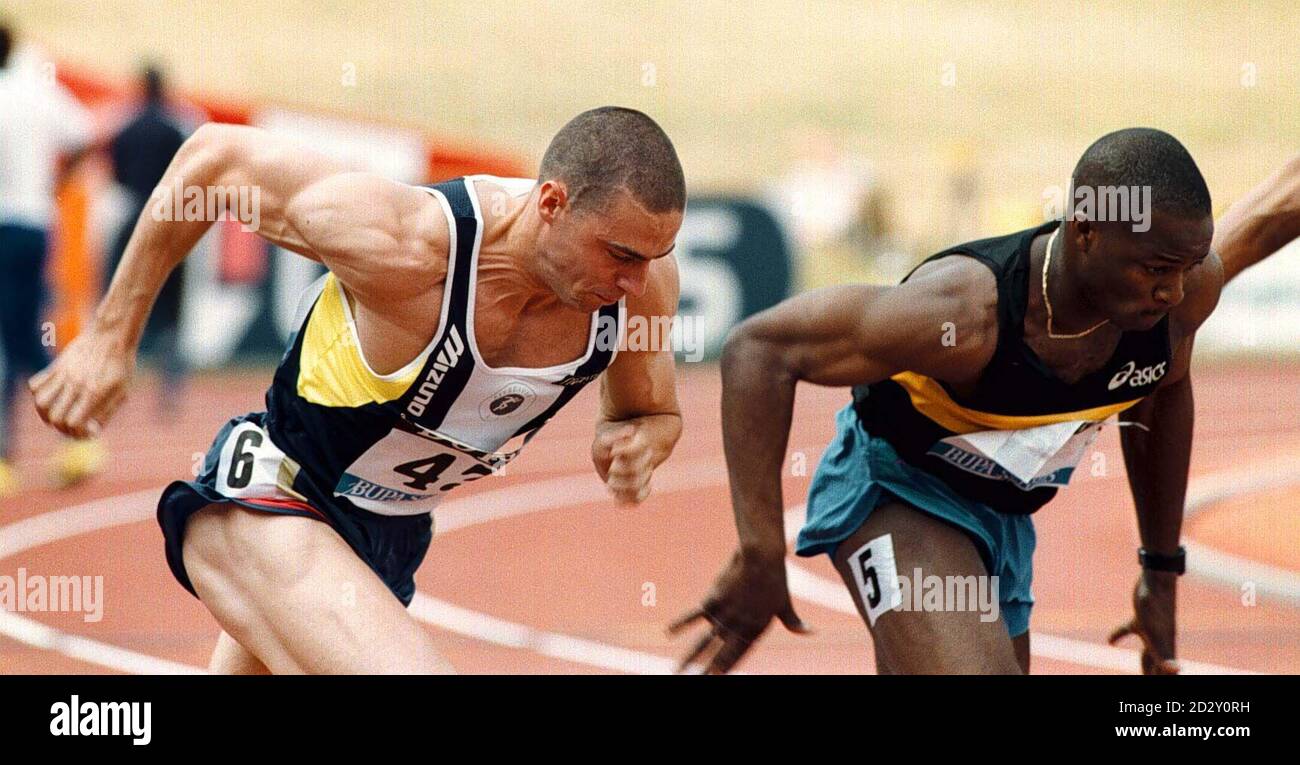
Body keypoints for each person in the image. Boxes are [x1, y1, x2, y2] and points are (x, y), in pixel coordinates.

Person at [31, 106, 686, 674]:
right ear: (552, 204)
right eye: (621, 254)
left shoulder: (637, 290)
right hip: (269, 500)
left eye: (654, 257)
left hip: (380, 547)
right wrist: (111, 337)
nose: (636, 279)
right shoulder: (410, 246)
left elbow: (649, 411)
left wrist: (636, 442)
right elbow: (215, 158)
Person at [675, 128, 1300, 675]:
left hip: (1004, 521)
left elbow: (1161, 398)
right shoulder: (965, 315)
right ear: (1084, 231)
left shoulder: (1186, 289)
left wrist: (1160, 573)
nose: (1172, 290)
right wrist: (760, 552)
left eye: (1188, 267)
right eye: (1156, 268)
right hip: (896, 491)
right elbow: (760, 349)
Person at [0, 21, 103, 497]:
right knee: (19, 338)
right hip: (33, 225)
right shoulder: (38, 88)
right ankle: (72, 435)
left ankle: (68, 436)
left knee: (16, 341)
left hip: (11, 227)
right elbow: (85, 133)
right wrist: (57, 184)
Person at [107, 62, 189, 415]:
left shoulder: (126, 130)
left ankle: (114, 386)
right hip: (168, 222)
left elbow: (118, 176)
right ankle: (169, 391)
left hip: (133, 222)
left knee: (121, 305)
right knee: (171, 312)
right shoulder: (176, 131)